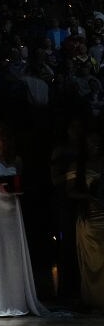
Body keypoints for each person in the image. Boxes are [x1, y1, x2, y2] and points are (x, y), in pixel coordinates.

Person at [0, 122, 45, 316]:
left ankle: (15, 300)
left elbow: (19, 182)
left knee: (13, 254)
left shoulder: (16, 159)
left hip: (13, 209)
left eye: (1, 135)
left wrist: (17, 189)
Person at [66, 132, 104, 312]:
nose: (94, 146)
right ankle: (95, 300)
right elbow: (70, 192)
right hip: (90, 217)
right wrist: (89, 197)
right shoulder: (78, 166)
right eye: (91, 143)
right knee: (93, 261)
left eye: (97, 142)